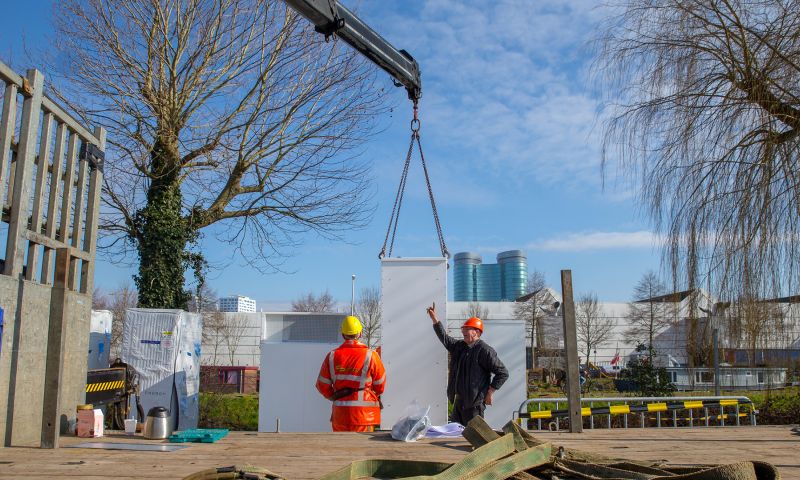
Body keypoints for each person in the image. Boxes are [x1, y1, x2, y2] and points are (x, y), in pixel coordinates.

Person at [426, 303, 508, 426]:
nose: (463, 330)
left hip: (475, 405)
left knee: (475, 437)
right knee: (455, 435)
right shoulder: (460, 347)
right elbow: (444, 338)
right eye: (463, 328)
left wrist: (490, 392)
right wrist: (434, 319)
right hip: (459, 403)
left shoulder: (485, 350)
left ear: (476, 332)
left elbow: (503, 373)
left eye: (467, 328)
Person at [315, 315, 386, 432]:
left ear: (343, 335)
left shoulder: (332, 356)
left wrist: (335, 396)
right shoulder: (371, 355)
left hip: (340, 416)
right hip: (364, 417)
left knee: (340, 448)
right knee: (362, 449)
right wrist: (371, 393)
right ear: (361, 334)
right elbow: (380, 385)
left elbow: (322, 385)